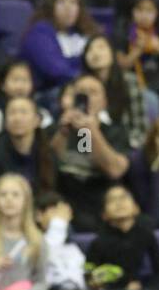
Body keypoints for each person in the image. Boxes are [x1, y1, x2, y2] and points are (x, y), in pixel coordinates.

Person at [49, 73, 131, 231]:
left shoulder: (116, 131)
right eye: (81, 92)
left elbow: (115, 170)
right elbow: (47, 165)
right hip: (65, 203)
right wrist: (62, 134)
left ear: (104, 102)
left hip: (102, 205)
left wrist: (91, 131)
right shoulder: (58, 129)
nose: (87, 96)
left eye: (93, 92)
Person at [19, 0, 103, 95]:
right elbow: (55, 70)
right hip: (47, 93)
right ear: (51, 6)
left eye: (73, 2)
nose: (68, 8)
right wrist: (84, 74)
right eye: (61, 2)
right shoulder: (39, 32)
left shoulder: (86, 32)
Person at [85, 184, 159, 290]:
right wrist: (120, 289)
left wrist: (145, 288)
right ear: (104, 214)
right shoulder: (98, 243)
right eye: (112, 200)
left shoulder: (145, 235)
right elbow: (90, 277)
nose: (119, 203)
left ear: (136, 208)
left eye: (124, 197)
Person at [0, 94, 57, 196]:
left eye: (23, 112)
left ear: (37, 120)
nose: (17, 118)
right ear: (5, 121)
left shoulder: (47, 154)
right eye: (12, 113)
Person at [82, 32, 150, 149]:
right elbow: (82, 140)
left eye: (101, 47)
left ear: (112, 54)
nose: (95, 53)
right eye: (90, 49)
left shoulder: (129, 81)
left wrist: (127, 149)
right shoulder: (82, 86)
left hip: (125, 147)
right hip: (90, 148)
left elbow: (140, 130)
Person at [0, 59, 54, 150]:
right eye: (15, 80)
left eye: (25, 80)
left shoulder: (40, 113)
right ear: (3, 85)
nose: (20, 86)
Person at [34, 192, 86, 290]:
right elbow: (46, 255)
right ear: (39, 215)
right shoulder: (31, 243)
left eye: (63, 212)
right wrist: (59, 224)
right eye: (55, 211)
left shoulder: (73, 249)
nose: (61, 217)